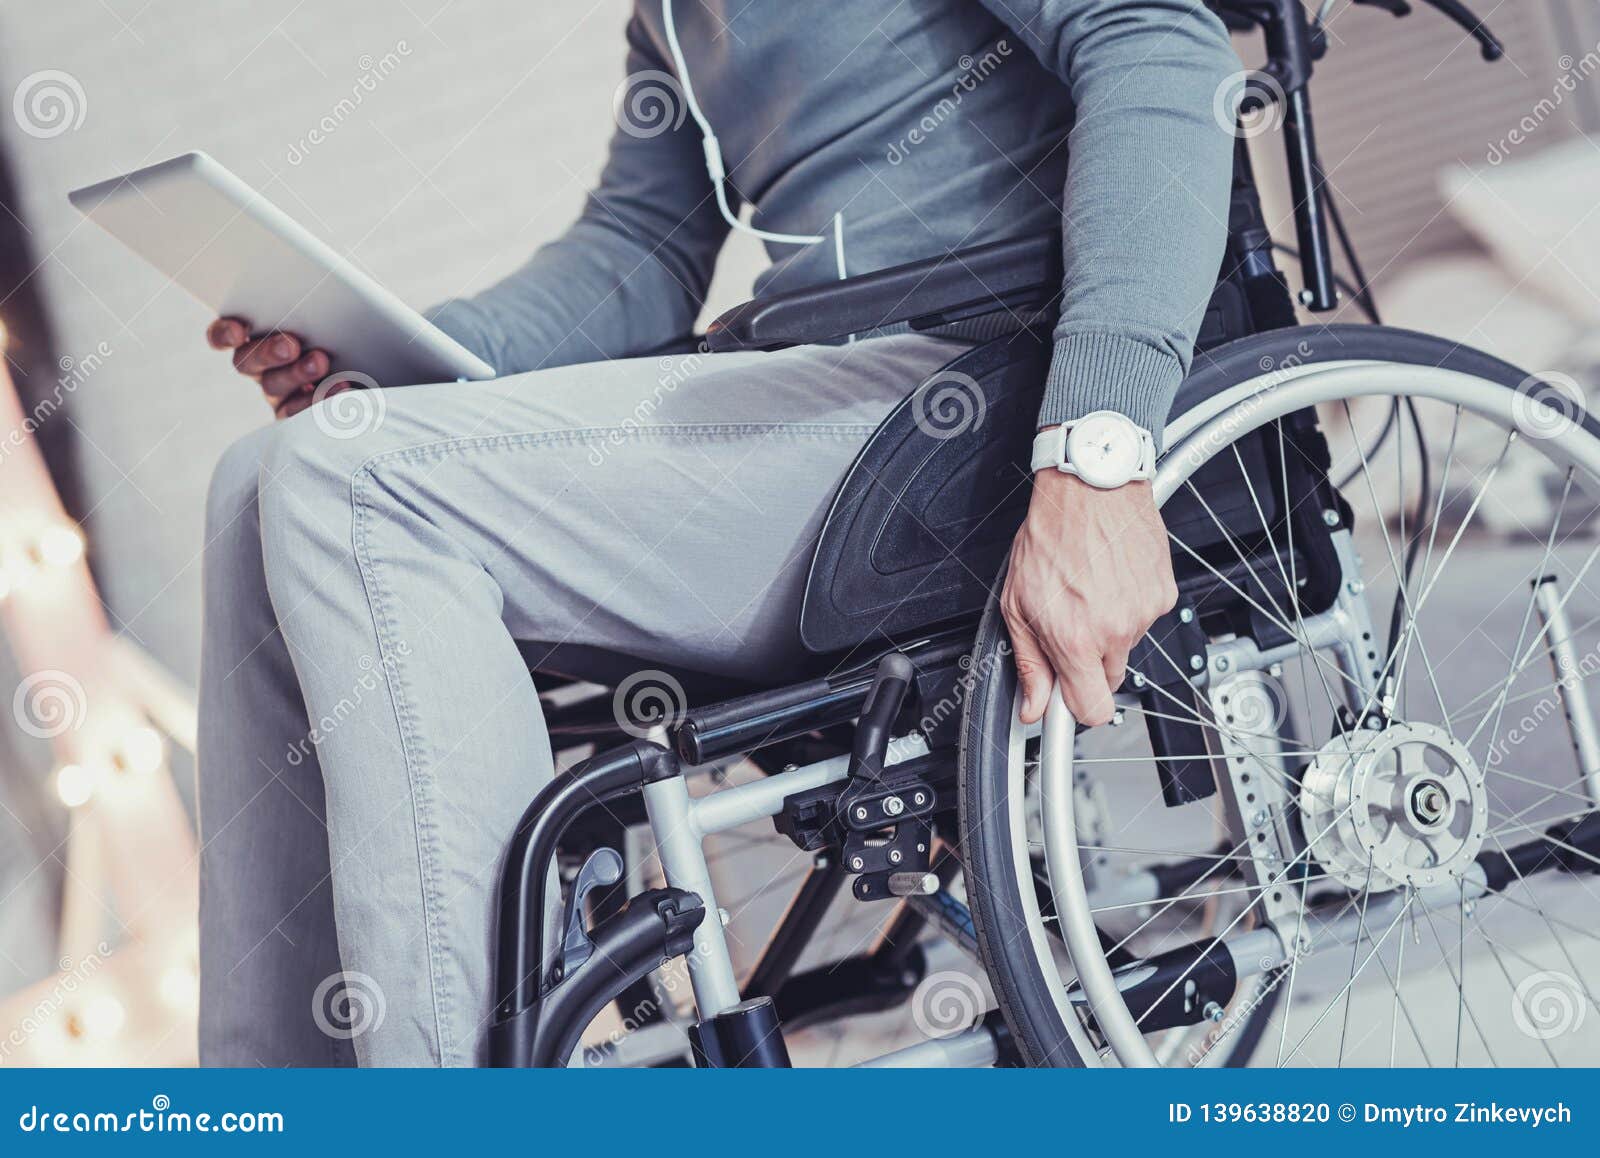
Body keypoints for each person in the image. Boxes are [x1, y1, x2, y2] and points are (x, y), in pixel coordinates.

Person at [197, 0, 1238, 1065]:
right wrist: (392, 360)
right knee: (259, 480)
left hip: (967, 382)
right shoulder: (672, 19)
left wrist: (1098, 456)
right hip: (801, 378)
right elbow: (640, 245)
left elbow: (1154, 39)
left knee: (347, 478)